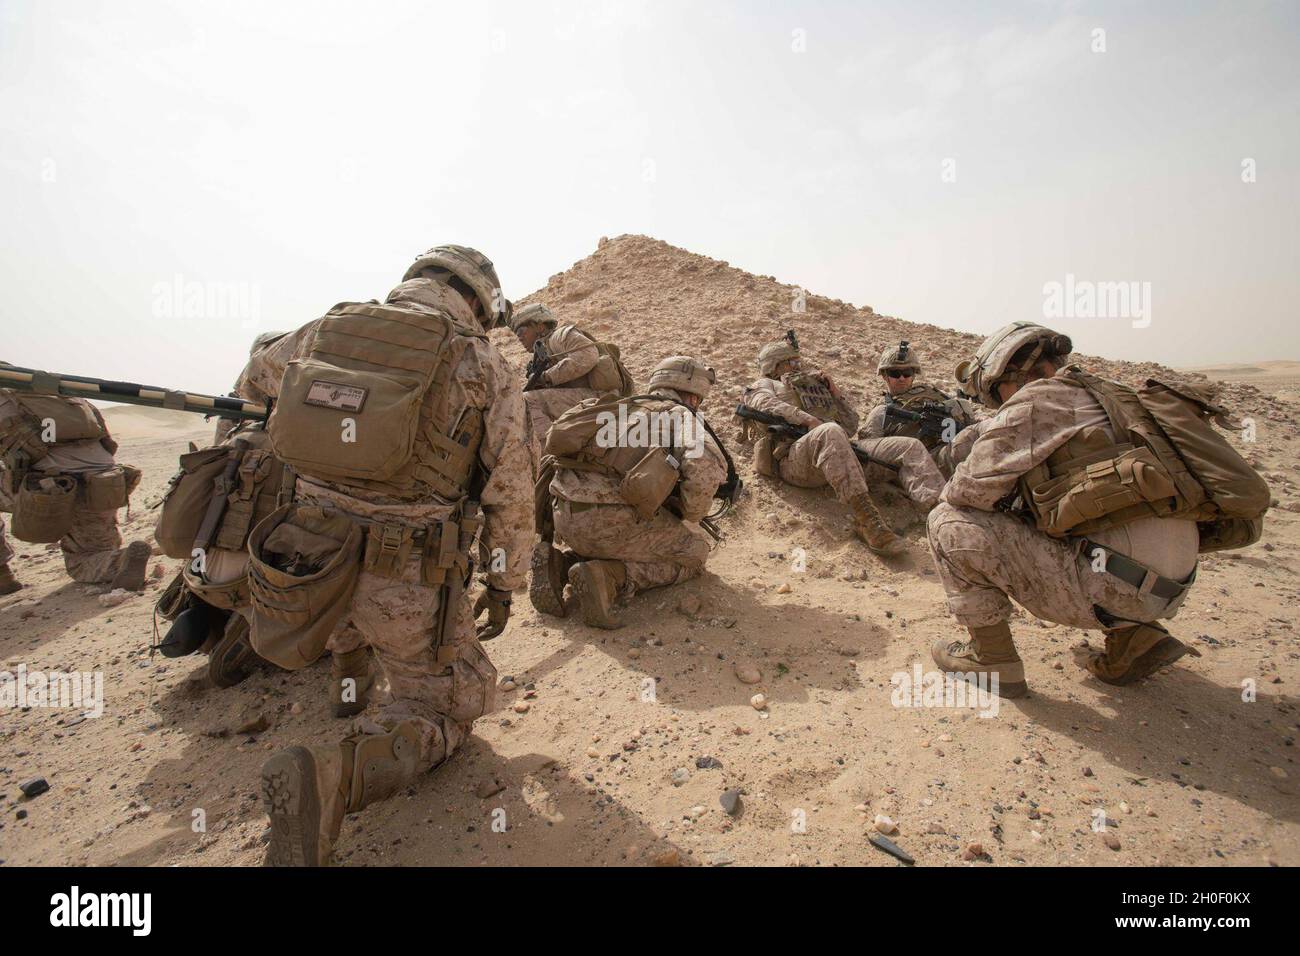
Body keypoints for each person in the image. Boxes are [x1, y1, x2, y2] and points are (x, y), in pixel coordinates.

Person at [257, 244, 532, 866]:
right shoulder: (483, 365)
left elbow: (257, 379)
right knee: (453, 703)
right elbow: (510, 491)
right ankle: (330, 781)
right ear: (479, 301)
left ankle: (348, 679)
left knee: (348, 623)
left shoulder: (325, 326)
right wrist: (505, 580)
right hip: (401, 571)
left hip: (303, 562)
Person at [926, 321, 1262, 696]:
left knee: (946, 520)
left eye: (997, 395)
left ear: (1010, 377)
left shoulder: (1038, 400)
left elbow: (966, 493)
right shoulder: (1117, 397)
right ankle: (1134, 640)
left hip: (1113, 587)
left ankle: (992, 659)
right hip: (1171, 587)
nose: (999, 405)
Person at [544, 356, 726, 629]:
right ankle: (610, 577)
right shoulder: (678, 414)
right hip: (612, 524)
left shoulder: (615, 406)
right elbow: (705, 468)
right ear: (693, 395)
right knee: (695, 553)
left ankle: (560, 563)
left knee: (624, 534)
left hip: (564, 516)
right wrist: (691, 515)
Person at [740, 337, 944, 555]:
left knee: (908, 446)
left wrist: (834, 393)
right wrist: (807, 420)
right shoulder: (766, 384)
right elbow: (761, 402)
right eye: (792, 363)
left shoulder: (810, 386)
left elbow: (850, 425)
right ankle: (868, 522)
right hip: (796, 460)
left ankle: (942, 517)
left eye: (798, 362)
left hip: (838, 452)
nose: (799, 367)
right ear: (774, 366)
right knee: (830, 430)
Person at [0, 378, 149, 591]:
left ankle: (1, 575)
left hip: (52, 490)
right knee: (88, 556)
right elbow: (107, 443)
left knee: (78, 566)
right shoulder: (63, 393)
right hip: (104, 485)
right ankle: (122, 560)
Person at [860, 340, 981, 478]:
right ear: (884, 376)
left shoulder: (934, 395)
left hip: (950, 450)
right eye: (894, 373)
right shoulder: (881, 412)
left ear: (914, 374)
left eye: (907, 373)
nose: (901, 378)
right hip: (921, 465)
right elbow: (870, 454)